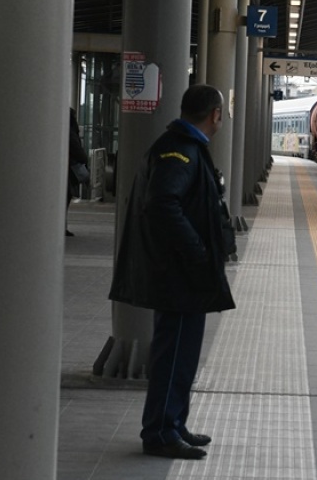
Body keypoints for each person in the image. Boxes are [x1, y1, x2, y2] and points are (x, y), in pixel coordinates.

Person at [109, 85, 237, 460]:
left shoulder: (185, 146)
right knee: (174, 353)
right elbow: (163, 204)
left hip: (184, 275)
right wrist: (197, 252)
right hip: (179, 275)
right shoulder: (179, 150)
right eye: (222, 114)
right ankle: (161, 432)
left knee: (183, 354)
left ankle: (174, 423)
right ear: (214, 114)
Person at [67, 107, 90, 236]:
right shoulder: (70, 131)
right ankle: (61, 226)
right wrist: (84, 159)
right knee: (66, 197)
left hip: (66, 167)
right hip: (70, 168)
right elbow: (77, 149)